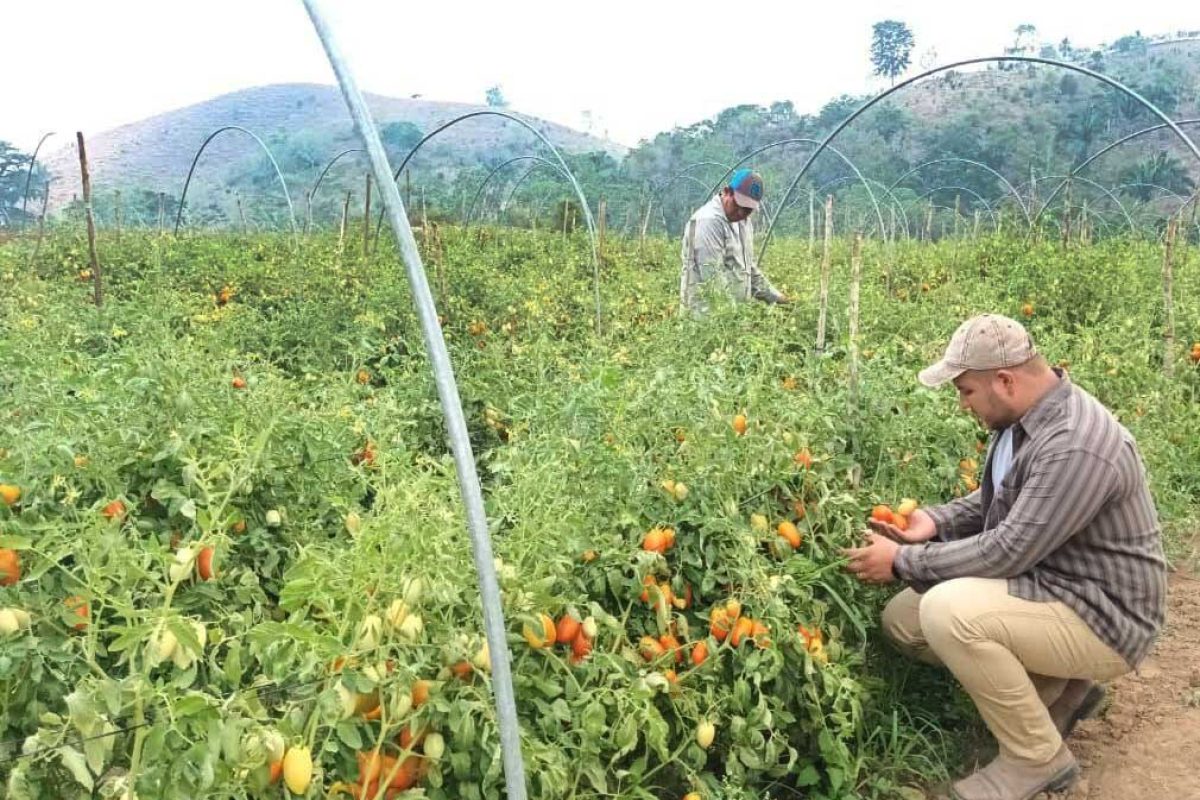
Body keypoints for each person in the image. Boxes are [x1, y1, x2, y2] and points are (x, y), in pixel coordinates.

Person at [843, 314, 1167, 800]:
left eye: (966, 391)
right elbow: (1002, 499)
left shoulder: (1075, 443)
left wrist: (903, 562)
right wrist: (936, 521)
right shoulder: (1023, 418)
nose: (962, 403)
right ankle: (1061, 688)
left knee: (946, 611)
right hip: (1053, 583)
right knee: (904, 620)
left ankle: (1036, 758)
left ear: (1005, 380)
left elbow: (1008, 549)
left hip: (1104, 615)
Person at [679, 168, 789, 312]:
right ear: (727, 192)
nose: (741, 213)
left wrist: (778, 298)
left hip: (731, 319)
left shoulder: (743, 221)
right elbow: (713, 278)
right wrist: (734, 318)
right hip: (705, 321)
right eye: (739, 206)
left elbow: (749, 269)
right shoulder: (708, 222)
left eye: (748, 209)